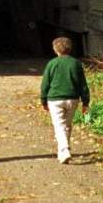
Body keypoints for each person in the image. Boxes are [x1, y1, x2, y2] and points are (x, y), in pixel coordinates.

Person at [39, 36, 90, 164]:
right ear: (70, 48)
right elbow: (82, 84)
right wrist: (86, 102)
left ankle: (65, 149)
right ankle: (62, 153)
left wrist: (43, 100)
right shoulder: (76, 63)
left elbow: (45, 84)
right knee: (67, 125)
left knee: (59, 125)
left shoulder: (52, 63)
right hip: (72, 99)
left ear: (55, 50)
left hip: (55, 99)